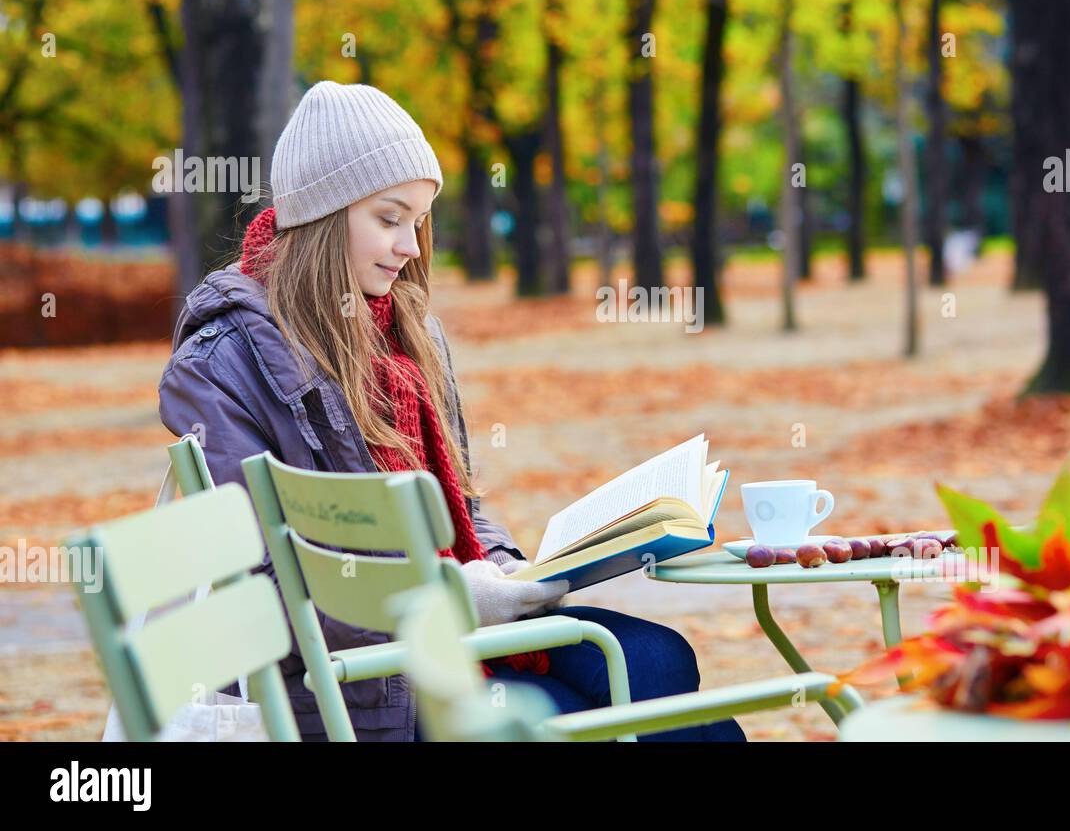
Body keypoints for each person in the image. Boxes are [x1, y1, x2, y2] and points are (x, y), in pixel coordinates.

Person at [157, 80, 745, 742]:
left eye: (418, 221)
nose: (411, 245)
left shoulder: (410, 333)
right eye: (389, 217)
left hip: (454, 637)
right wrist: (447, 601)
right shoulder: (221, 362)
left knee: (662, 659)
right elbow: (261, 589)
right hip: (364, 680)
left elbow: (462, 508)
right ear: (323, 214)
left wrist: (508, 570)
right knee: (663, 718)